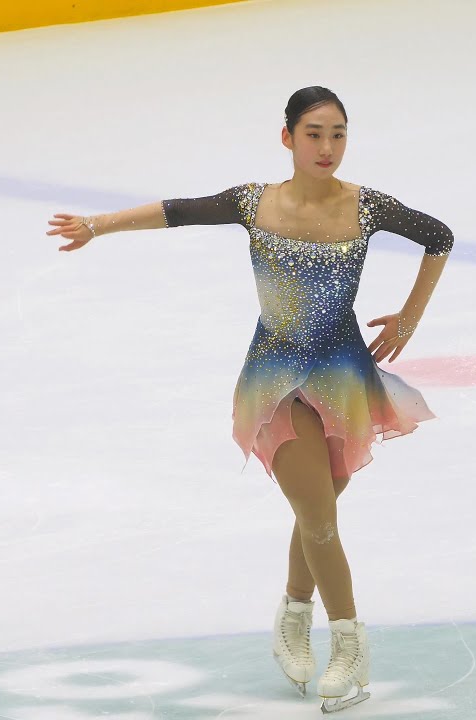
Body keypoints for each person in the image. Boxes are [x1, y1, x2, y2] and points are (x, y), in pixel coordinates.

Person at [46, 86, 452, 714]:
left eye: (338, 134)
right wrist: (99, 225)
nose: (327, 147)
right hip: (275, 379)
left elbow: (439, 235)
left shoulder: (367, 208)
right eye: (314, 133)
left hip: (344, 376)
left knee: (318, 507)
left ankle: (293, 612)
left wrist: (410, 318)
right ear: (287, 138)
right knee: (318, 517)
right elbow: (175, 211)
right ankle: (350, 645)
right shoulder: (253, 204)